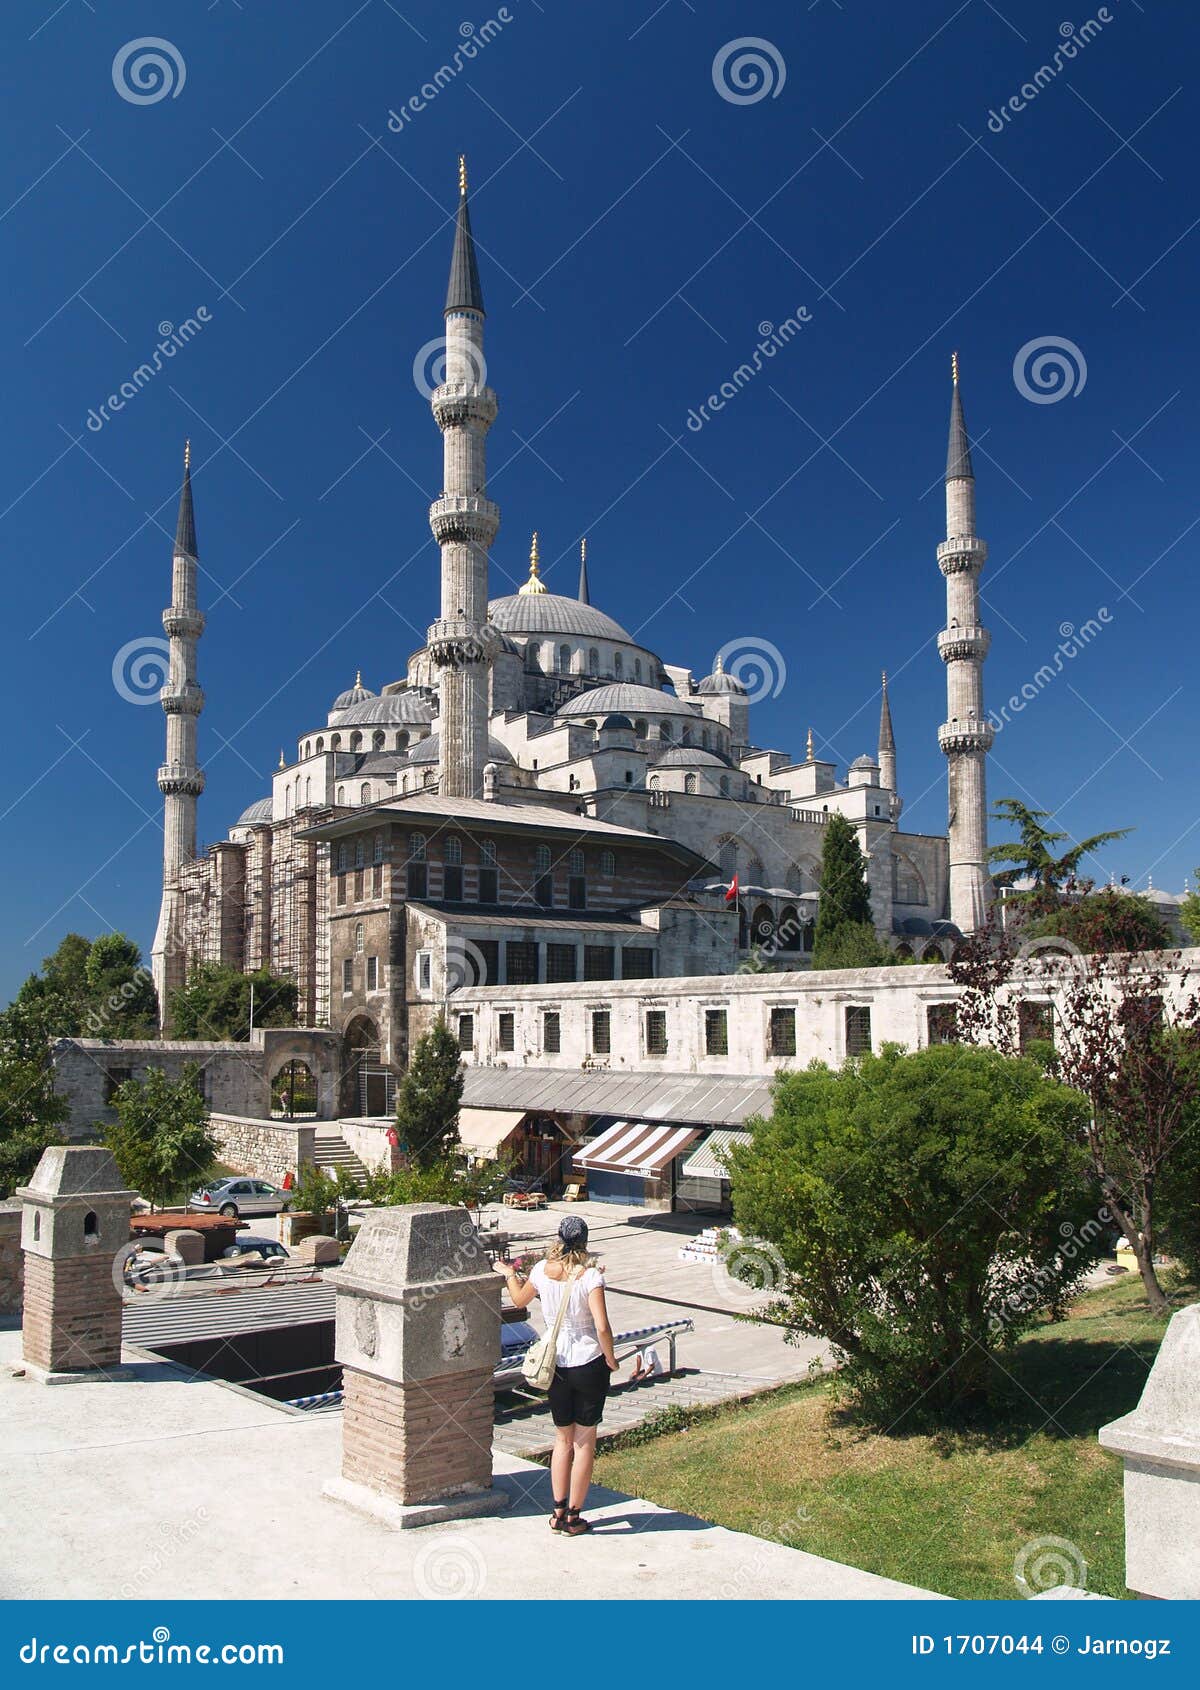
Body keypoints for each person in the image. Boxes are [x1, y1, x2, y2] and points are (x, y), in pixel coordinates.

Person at [494, 1214, 620, 1535]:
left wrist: (509, 1273)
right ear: (585, 1241)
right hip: (588, 1362)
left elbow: (519, 1299)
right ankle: (575, 1517)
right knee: (585, 1442)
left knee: (562, 1439)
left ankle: (557, 1511)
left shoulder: (540, 1271)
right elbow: (602, 1326)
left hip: (556, 1364)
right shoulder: (590, 1277)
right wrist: (611, 1358)